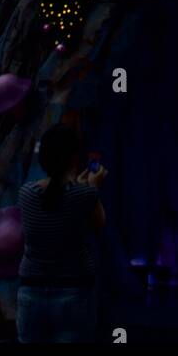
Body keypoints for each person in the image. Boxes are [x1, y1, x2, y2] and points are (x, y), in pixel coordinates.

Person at [17, 122, 107, 343]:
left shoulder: (26, 192)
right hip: (73, 292)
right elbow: (99, 225)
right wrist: (93, 188)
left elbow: (58, 197)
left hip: (31, 291)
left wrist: (81, 187)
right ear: (73, 158)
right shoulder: (85, 195)